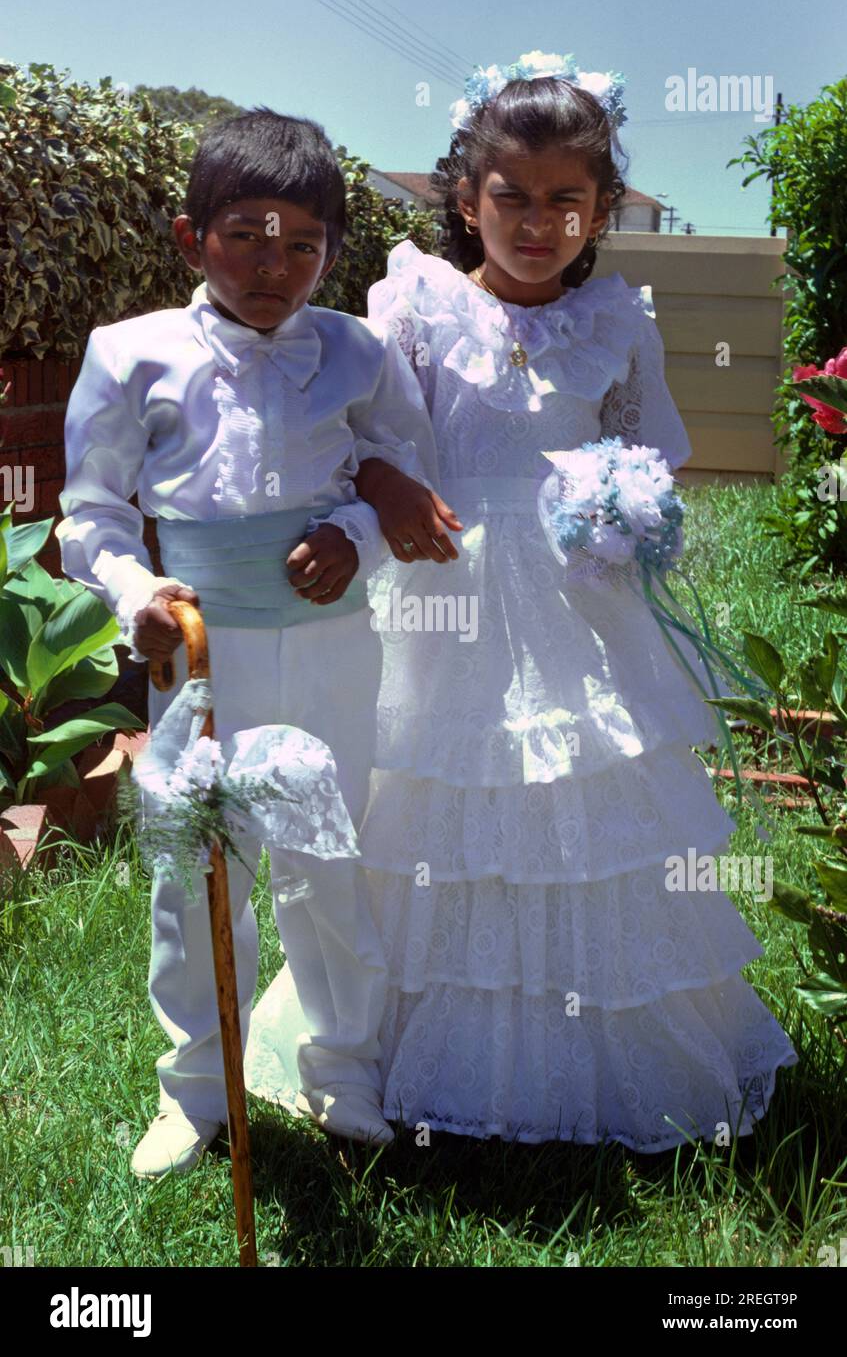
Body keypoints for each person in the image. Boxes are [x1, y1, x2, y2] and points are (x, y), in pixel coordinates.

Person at [247, 57, 799, 1150]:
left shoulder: (616, 320)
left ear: (599, 211)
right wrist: (383, 481)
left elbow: (648, 449)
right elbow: (355, 431)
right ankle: (378, 1043)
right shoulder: (414, 302)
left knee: (573, 801)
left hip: (570, 594)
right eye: (511, 196)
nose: (536, 222)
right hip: (437, 573)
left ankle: (594, 1059)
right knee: (426, 796)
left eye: (565, 200)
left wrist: (623, 501)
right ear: (466, 199)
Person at [56, 107, 441, 1176]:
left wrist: (356, 534)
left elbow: (404, 477)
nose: (275, 264)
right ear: (191, 237)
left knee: (330, 852)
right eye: (246, 236)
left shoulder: (357, 354)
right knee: (195, 866)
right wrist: (134, 586)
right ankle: (197, 1086)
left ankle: (344, 1067)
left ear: (331, 250)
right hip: (196, 649)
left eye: (303, 245)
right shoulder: (131, 353)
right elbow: (86, 512)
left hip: (329, 640)